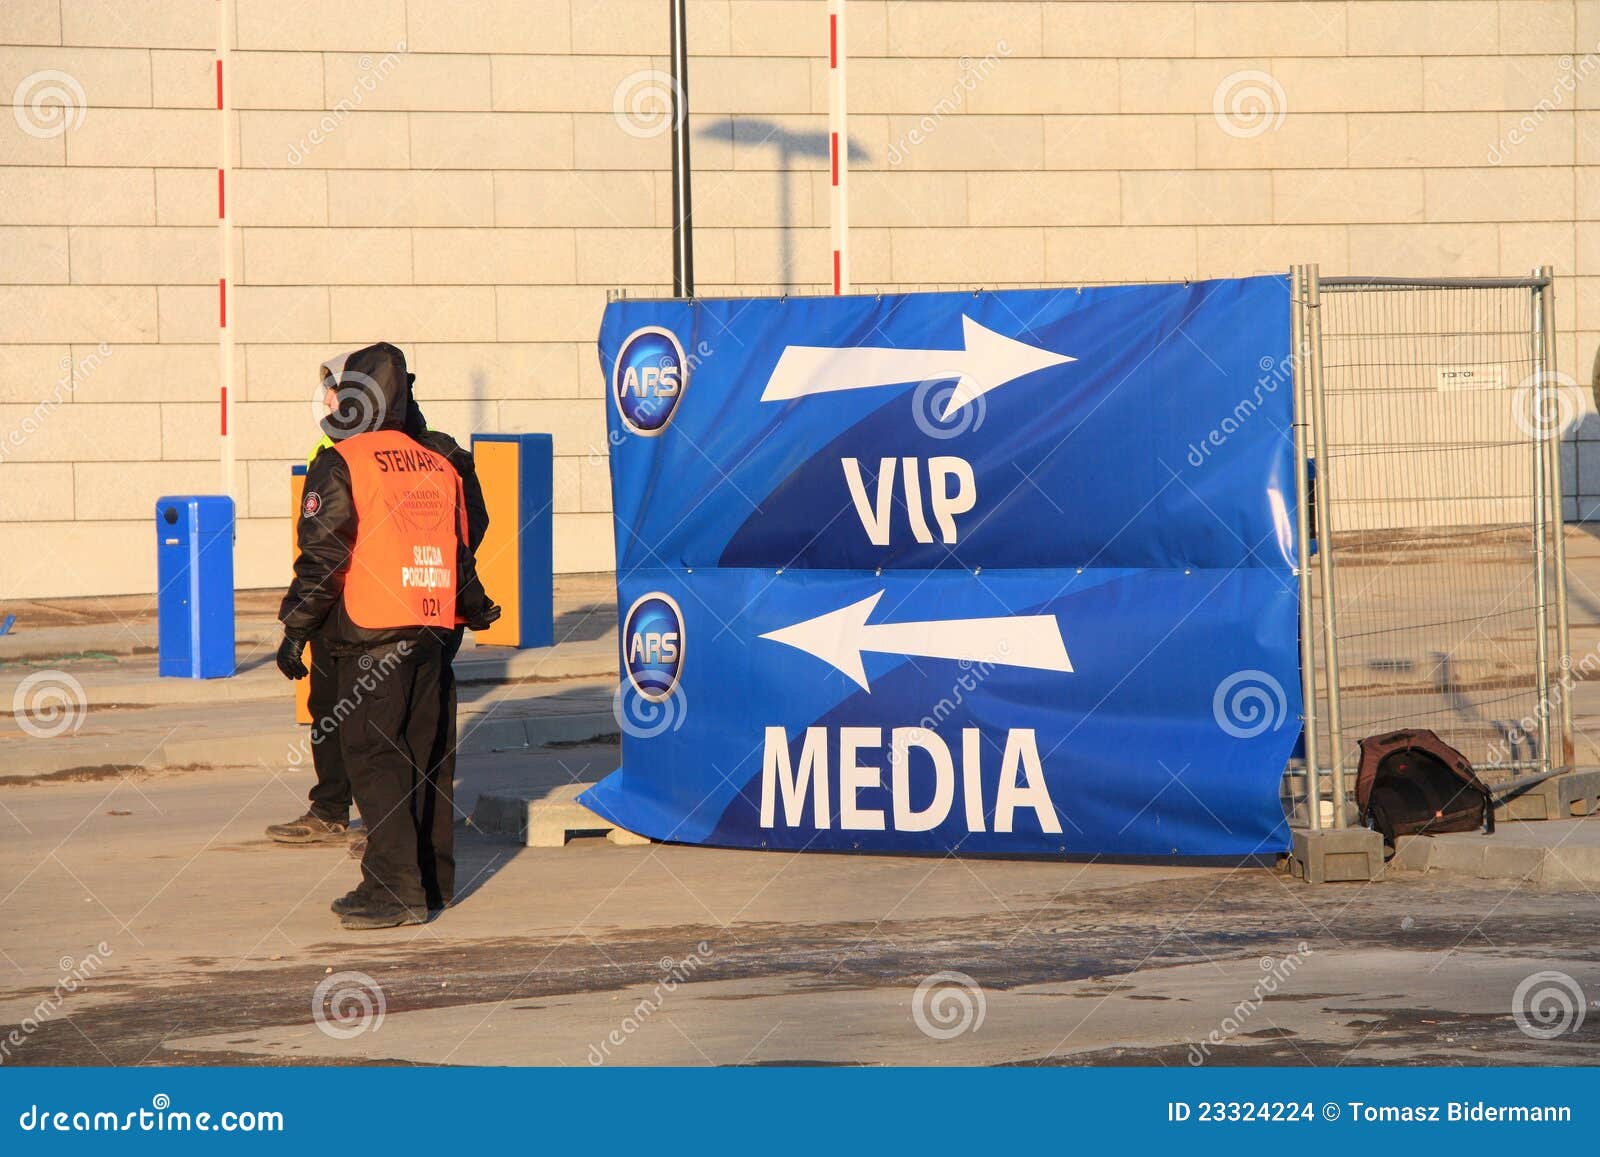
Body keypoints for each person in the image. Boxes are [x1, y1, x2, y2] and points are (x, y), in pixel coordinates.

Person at [275, 342, 499, 930]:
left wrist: (296, 628)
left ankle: (391, 889)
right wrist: (472, 606)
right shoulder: (436, 459)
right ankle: (433, 883)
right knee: (427, 761)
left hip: (372, 634)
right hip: (432, 629)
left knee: (377, 760)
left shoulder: (345, 459)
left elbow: (323, 556)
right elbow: (460, 542)